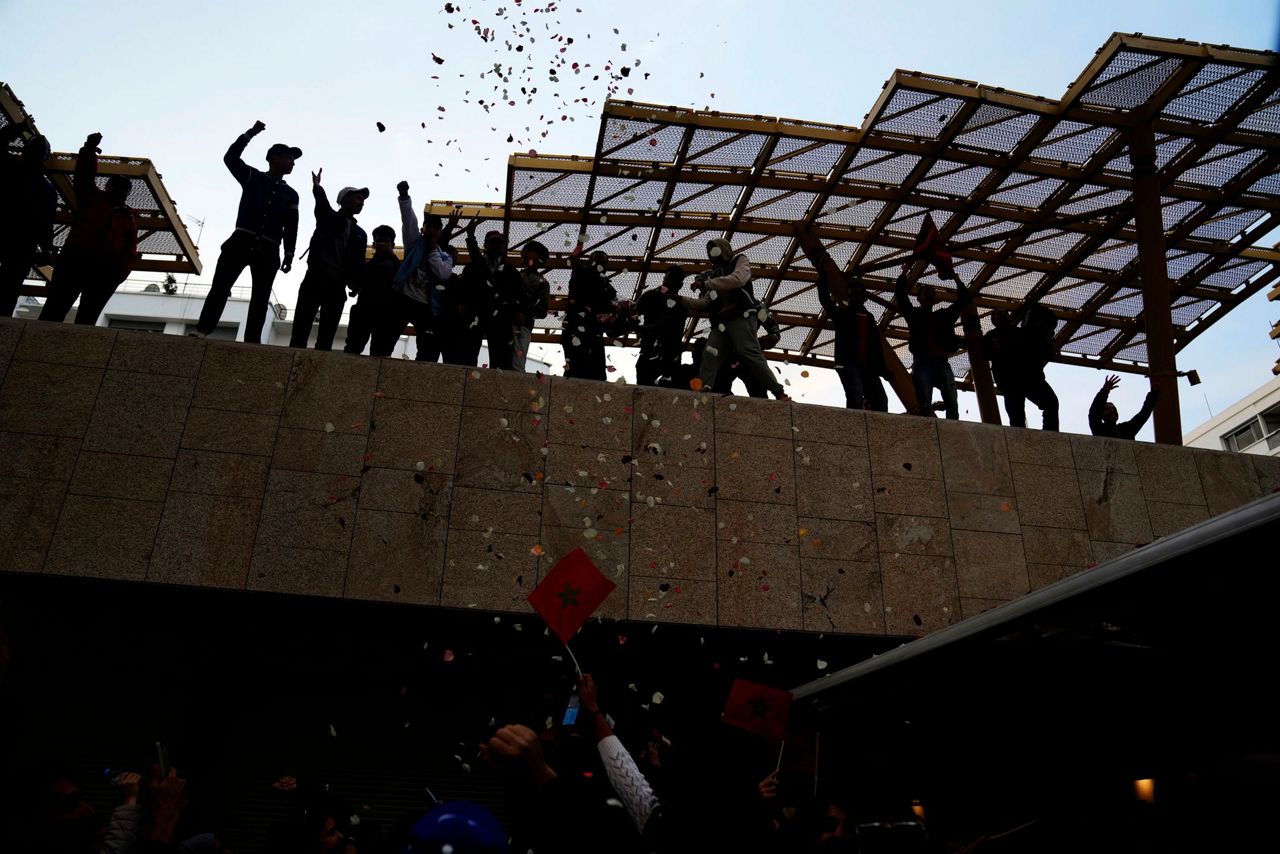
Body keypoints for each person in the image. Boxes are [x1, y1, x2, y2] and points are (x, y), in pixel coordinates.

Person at [194, 121, 300, 343]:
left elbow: (291, 225)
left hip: (269, 248)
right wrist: (251, 133)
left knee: (261, 298)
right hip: (241, 240)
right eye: (288, 157)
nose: (292, 162)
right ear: (274, 157)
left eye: (293, 159)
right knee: (221, 287)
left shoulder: (291, 194)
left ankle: (252, 341)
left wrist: (289, 254)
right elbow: (230, 158)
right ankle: (203, 330)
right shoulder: (253, 176)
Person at [38, 133, 138, 325]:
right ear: (107, 186)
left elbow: (130, 251)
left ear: (127, 194)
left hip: (104, 272)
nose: (119, 190)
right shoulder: (91, 198)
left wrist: (118, 275)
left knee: (87, 320)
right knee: (53, 311)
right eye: (115, 185)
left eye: (124, 188)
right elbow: (84, 175)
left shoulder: (129, 218)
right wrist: (89, 150)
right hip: (74, 263)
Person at [682, 238, 788, 400]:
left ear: (724, 249)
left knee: (748, 352)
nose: (712, 256)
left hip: (741, 316)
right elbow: (705, 303)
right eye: (709, 252)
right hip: (722, 323)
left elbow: (738, 280)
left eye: (714, 250)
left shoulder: (739, 260)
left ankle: (779, 393)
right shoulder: (714, 276)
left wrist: (774, 333)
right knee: (710, 354)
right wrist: (681, 299)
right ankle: (702, 392)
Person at [289, 172, 367, 350]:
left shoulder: (360, 234)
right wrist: (317, 187)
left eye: (363, 200)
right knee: (300, 331)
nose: (361, 202)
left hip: (338, 285)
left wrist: (356, 284)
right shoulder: (328, 217)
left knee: (326, 338)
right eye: (357, 197)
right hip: (315, 278)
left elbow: (358, 263)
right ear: (344, 199)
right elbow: (321, 203)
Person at [387, 182, 455, 361]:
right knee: (387, 339)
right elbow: (408, 219)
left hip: (426, 304)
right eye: (428, 226)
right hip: (403, 297)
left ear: (440, 232)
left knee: (428, 349)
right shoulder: (413, 242)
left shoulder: (445, 256)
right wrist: (404, 196)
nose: (431, 230)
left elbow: (443, 274)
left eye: (436, 228)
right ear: (423, 229)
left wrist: (432, 250)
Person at [894, 265, 972, 419]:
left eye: (931, 294)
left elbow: (902, 297)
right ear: (920, 298)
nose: (930, 297)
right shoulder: (940, 316)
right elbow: (901, 297)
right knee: (938, 402)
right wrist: (956, 279)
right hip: (931, 362)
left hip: (932, 362)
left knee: (947, 402)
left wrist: (904, 274)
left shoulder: (925, 315)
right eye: (927, 294)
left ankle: (947, 427)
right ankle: (951, 428)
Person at [814, 256, 889, 411]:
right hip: (848, 363)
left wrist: (883, 369)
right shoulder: (843, 315)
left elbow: (875, 346)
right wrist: (822, 276)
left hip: (865, 366)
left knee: (879, 400)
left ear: (863, 298)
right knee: (856, 395)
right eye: (851, 294)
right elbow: (825, 300)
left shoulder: (868, 319)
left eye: (857, 294)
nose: (854, 297)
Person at [0, 116, 56, 317]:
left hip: (9, 236)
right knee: (9, 290)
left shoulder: (8, 168)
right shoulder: (48, 190)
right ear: (46, 158)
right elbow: (46, 224)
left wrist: (21, 127)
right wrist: (46, 249)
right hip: (23, 245)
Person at [982, 307, 1060, 430]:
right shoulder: (994, 336)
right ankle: (1051, 434)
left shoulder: (1017, 333)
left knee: (1047, 405)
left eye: (1004, 312)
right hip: (1021, 379)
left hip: (1019, 380)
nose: (1003, 314)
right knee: (1020, 416)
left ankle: (1049, 435)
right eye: (999, 313)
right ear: (994, 320)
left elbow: (1041, 351)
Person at [463, 223, 524, 369]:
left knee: (500, 358)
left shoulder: (510, 271)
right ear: (486, 245)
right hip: (477, 312)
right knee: (469, 353)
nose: (496, 247)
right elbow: (464, 286)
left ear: (503, 248)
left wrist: (518, 311)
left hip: (500, 318)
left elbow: (518, 293)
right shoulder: (475, 266)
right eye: (492, 244)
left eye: (499, 244)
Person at [561, 247, 617, 380]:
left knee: (591, 372)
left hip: (591, 333)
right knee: (576, 369)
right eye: (597, 262)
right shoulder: (582, 276)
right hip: (577, 330)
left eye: (603, 263)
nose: (600, 266)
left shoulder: (607, 287)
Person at [344, 224, 399, 355]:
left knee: (380, 353)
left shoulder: (397, 267)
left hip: (385, 315)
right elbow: (356, 282)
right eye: (378, 241)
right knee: (352, 349)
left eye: (385, 241)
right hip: (364, 312)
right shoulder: (368, 266)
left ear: (392, 244)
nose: (381, 244)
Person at [635, 266, 689, 387]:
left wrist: (638, 328)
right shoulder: (681, 305)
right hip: (669, 354)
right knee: (667, 390)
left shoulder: (651, 295)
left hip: (652, 349)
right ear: (681, 285)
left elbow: (634, 311)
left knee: (644, 387)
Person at [513, 240, 551, 371]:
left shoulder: (541, 283)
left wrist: (521, 312)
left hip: (523, 324)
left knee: (516, 364)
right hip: (518, 323)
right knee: (516, 363)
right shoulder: (541, 282)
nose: (530, 261)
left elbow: (543, 310)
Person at [1089, 374, 1158, 440]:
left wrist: (1153, 394)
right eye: (1107, 409)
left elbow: (1144, 414)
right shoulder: (1099, 429)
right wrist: (1104, 391)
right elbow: (1094, 412)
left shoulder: (1126, 429)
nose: (1112, 410)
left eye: (1114, 409)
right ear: (1101, 415)